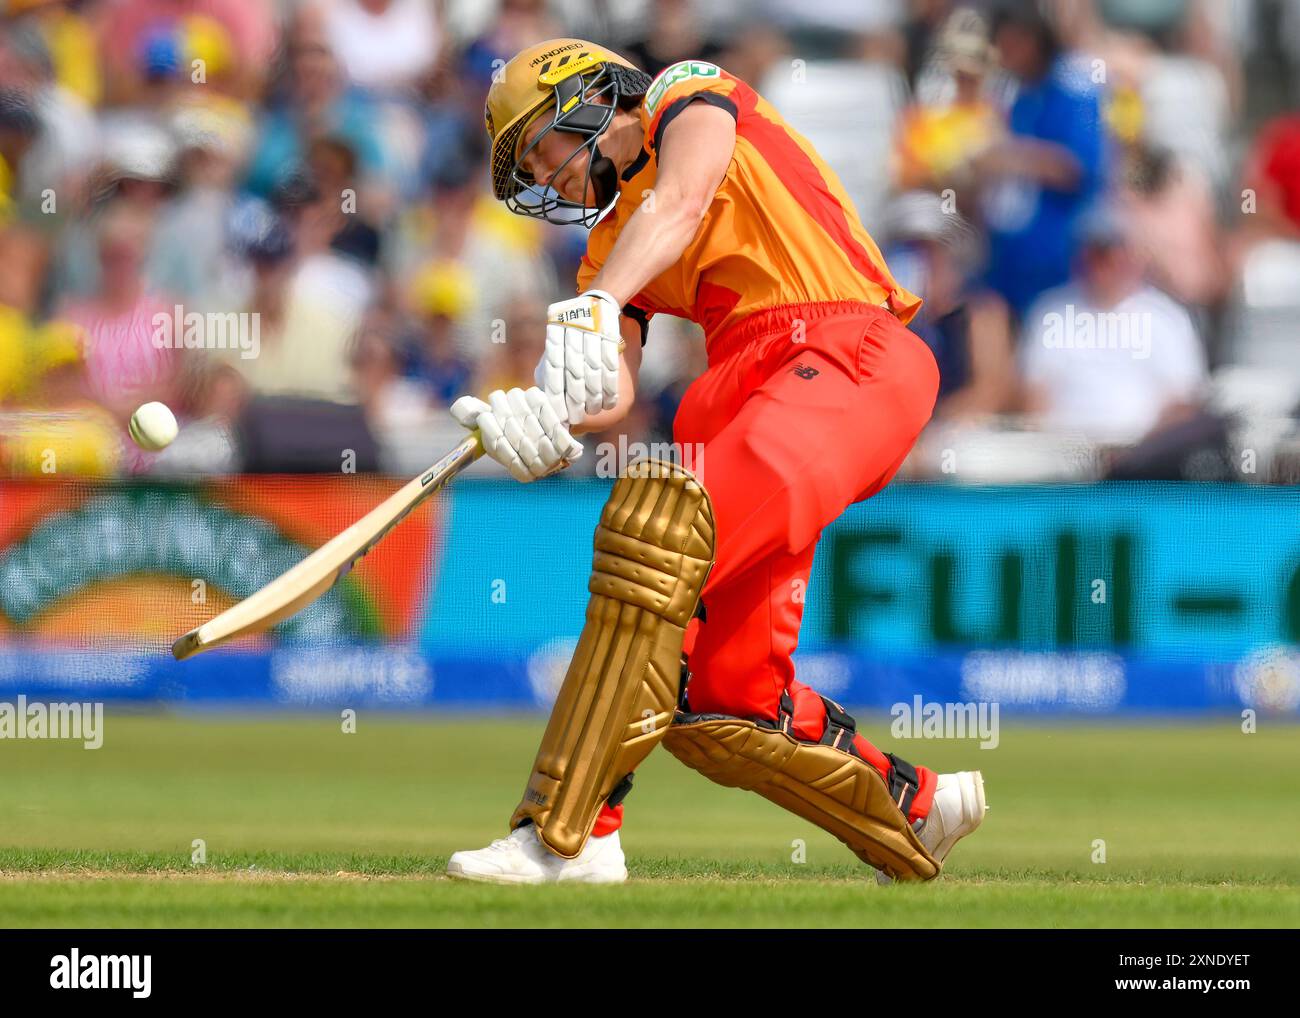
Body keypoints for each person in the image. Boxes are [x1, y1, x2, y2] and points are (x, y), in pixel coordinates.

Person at [445, 40, 987, 885]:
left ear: (587, 98)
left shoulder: (685, 92)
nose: (544, 178)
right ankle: (917, 807)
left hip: (842, 350)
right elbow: (611, 388)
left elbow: (684, 200)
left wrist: (599, 302)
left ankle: (569, 836)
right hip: (747, 390)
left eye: (541, 150)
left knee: (657, 547)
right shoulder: (612, 247)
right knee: (724, 703)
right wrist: (545, 412)